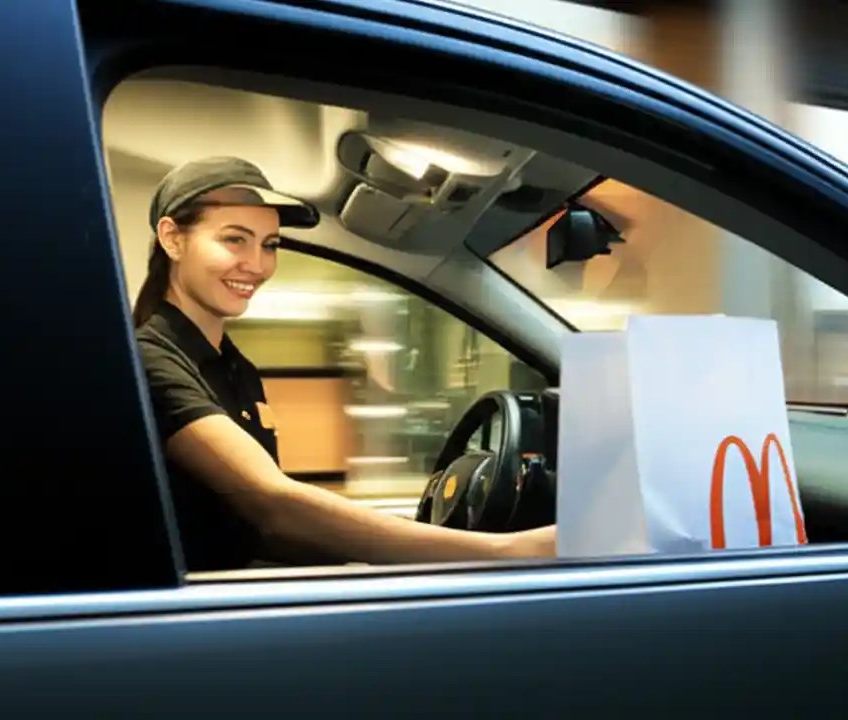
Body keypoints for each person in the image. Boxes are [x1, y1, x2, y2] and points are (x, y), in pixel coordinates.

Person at [132, 156, 556, 571]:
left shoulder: (235, 366)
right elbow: (271, 505)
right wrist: (507, 551)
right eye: (234, 239)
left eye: (270, 245)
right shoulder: (150, 359)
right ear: (173, 238)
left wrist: (395, 545)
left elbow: (264, 531)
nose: (258, 265)